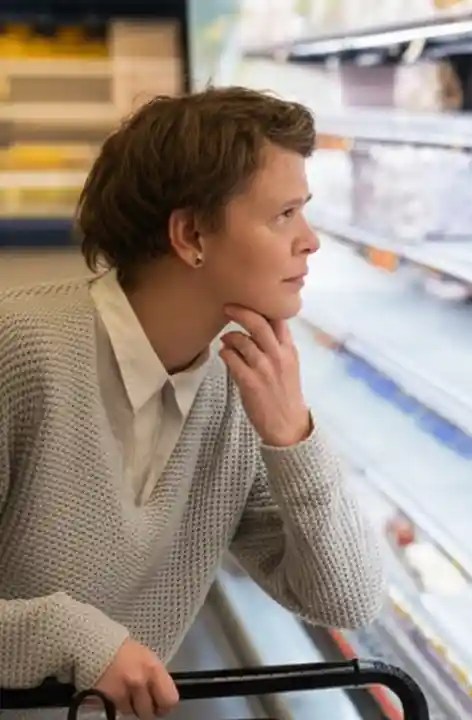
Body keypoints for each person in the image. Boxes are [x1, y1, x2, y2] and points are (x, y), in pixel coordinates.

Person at [0, 87, 387, 718]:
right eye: (284, 214)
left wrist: (292, 437)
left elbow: (348, 599)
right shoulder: (18, 352)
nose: (311, 241)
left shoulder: (234, 396)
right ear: (190, 235)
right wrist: (71, 636)